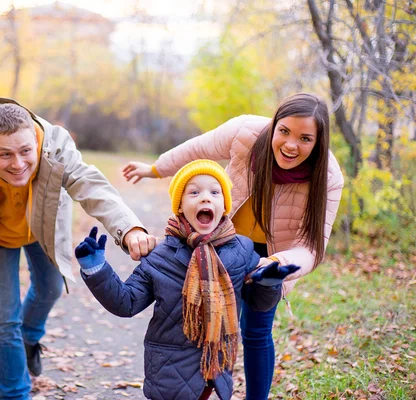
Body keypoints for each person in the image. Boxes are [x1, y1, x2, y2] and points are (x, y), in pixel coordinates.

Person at [0, 98, 157, 400]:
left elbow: (91, 185)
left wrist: (129, 227)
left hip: (44, 227)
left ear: (36, 142)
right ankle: (15, 394)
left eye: (26, 151)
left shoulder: (55, 146)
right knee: (3, 322)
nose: (18, 164)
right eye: (6, 154)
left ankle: (28, 337)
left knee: (51, 288)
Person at [122, 93, 344, 399]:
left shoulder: (328, 177)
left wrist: (279, 263)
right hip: (221, 242)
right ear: (274, 125)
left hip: (270, 256)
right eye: (285, 132)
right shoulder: (246, 133)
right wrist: (156, 168)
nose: (291, 145)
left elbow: (311, 245)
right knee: (199, 326)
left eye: (305, 138)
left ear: (319, 142)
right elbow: (198, 148)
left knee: (257, 330)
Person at [75, 160, 300, 400]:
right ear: (180, 206)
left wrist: (269, 283)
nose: (205, 198)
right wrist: (96, 268)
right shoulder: (160, 257)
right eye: (194, 192)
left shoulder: (241, 251)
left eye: (215, 192)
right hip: (170, 370)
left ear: (224, 205)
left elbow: (258, 303)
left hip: (215, 368)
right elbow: (126, 302)